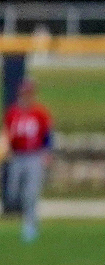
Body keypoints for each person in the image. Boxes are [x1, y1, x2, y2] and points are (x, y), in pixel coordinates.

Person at [4, 77, 54, 243]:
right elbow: (7, 134)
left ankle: (30, 225)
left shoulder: (40, 112)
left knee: (31, 193)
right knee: (12, 191)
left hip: (34, 155)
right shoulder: (12, 113)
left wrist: (47, 152)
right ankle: (18, 214)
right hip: (17, 156)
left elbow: (48, 134)